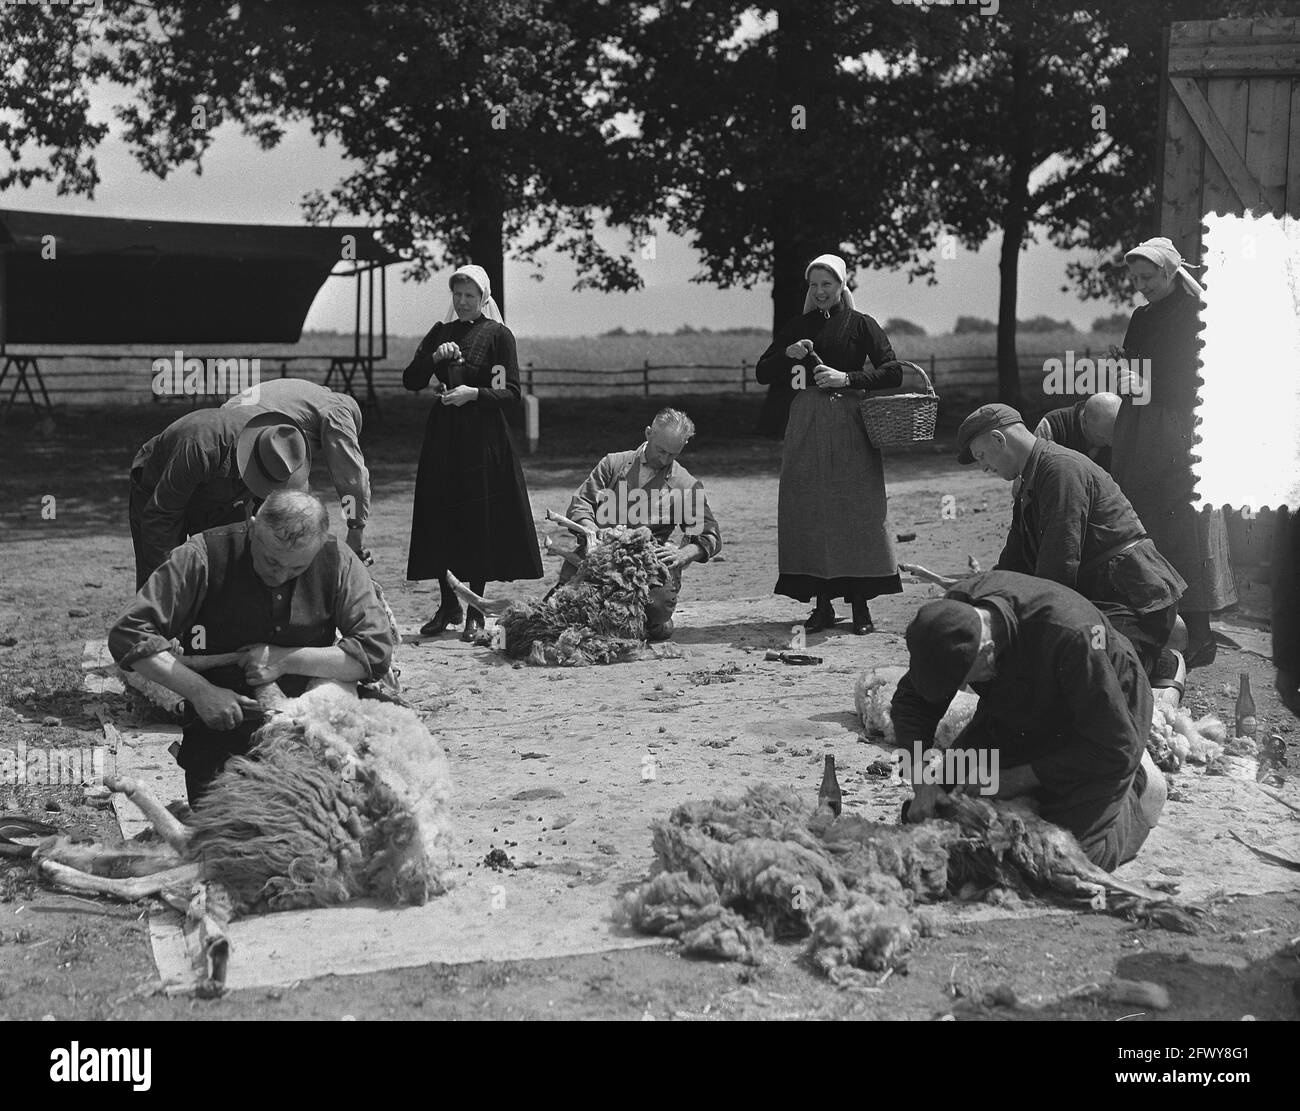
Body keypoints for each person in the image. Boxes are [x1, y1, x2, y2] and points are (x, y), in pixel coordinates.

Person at [108, 490, 394, 805]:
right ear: (254, 526)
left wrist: (283, 660)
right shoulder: (203, 555)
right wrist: (200, 691)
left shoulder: (336, 557)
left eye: (296, 569)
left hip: (309, 738)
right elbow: (129, 635)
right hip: (222, 735)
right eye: (271, 560)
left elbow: (375, 651)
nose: (280, 575)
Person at [891, 570, 1167, 873]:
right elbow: (913, 702)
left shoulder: (1074, 634)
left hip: (1102, 723)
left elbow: (1116, 746)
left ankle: (1140, 787)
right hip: (1018, 706)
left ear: (988, 652)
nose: (958, 691)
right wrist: (922, 781)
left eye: (963, 681)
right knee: (947, 810)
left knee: (1062, 855)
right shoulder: (954, 620)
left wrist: (1017, 778)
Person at [957, 403, 1187, 693]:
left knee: (1079, 676)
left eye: (981, 456)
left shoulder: (1059, 469)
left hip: (1130, 600)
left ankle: (1159, 663)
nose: (983, 466)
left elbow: (1059, 566)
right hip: (1096, 597)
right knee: (1007, 667)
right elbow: (1013, 562)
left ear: (999, 440)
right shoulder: (1031, 478)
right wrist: (975, 597)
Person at [754, 253, 905, 635]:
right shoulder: (797, 326)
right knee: (812, 508)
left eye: (828, 284)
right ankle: (822, 606)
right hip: (805, 423)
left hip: (851, 423)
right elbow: (761, 372)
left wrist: (847, 378)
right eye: (814, 285)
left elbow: (894, 371)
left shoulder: (861, 325)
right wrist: (786, 355)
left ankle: (860, 608)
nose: (820, 291)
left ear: (841, 286)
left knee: (855, 508)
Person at [1110, 237, 1237, 668]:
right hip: (1142, 428)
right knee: (1145, 521)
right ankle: (1163, 628)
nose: (1141, 286)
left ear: (1169, 273)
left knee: (1185, 526)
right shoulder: (1142, 317)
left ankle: (1199, 635)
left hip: (1183, 428)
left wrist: (1144, 384)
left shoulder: (1196, 315)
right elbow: (1136, 365)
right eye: (1135, 279)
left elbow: (1196, 381)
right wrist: (1124, 369)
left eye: (1147, 277)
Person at [403, 264, 543, 641]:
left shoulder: (498, 335)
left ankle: (475, 608)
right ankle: (448, 603)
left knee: (479, 517)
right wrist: (434, 359)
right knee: (440, 516)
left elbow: (511, 393)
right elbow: (410, 379)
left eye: (470, 296)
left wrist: (474, 394)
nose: (463, 302)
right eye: (458, 295)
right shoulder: (441, 332)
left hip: (484, 437)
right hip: (444, 435)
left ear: (484, 297)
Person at [562, 408, 722, 641]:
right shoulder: (612, 465)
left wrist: (684, 554)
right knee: (563, 606)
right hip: (597, 555)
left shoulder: (685, 484)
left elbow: (709, 535)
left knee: (656, 607)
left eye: (673, 454)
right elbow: (581, 504)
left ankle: (656, 623)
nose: (665, 459)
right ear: (649, 434)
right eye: (661, 451)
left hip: (645, 567)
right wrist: (594, 533)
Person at [128, 407, 310, 589]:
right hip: (161, 485)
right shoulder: (201, 446)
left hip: (219, 495)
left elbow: (273, 525)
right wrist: (167, 584)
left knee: (229, 567)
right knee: (160, 580)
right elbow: (161, 517)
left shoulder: (284, 459)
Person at [223, 378, 372, 558]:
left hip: (223, 423)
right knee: (296, 512)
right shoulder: (338, 411)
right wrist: (355, 527)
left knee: (235, 519)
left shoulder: (310, 396)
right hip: (254, 427)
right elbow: (350, 477)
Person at [1033, 392, 1119, 471]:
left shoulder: (1127, 428)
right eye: (1102, 437)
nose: (1111, 444)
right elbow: (1034, 472)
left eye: (1116, 436)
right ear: (1084, 421)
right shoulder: (1052, 426)